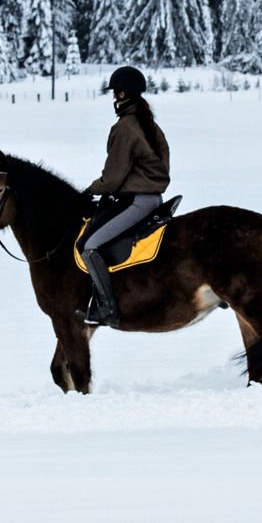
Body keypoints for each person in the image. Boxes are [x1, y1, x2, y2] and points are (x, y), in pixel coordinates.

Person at [78, 65, 171, 327]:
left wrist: (91, 189)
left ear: (122, 94)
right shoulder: (149, 124)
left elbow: (113, 177)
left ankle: (108, 307)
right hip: (152, 199)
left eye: (115, 93)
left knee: (89, 245)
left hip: (138, 201)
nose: (114, 99)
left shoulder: (125, 128)